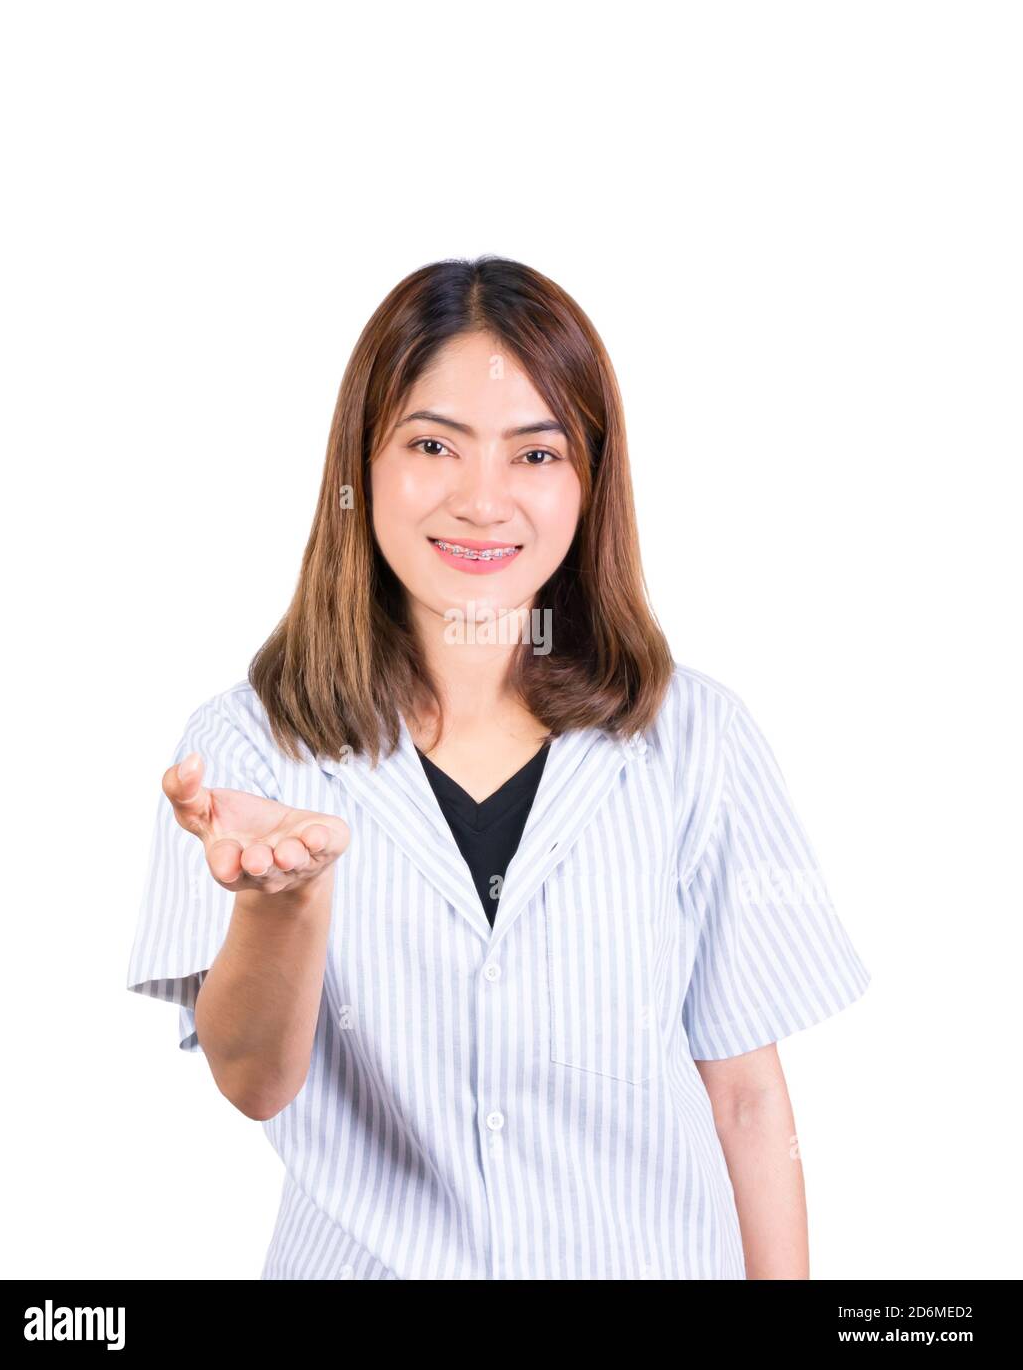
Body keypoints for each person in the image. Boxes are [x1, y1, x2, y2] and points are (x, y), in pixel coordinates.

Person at [127, 255, 871, 1280]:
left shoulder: (691, 737)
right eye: (433, 444)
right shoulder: (249, 749)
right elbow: (252, 1080)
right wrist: (281, 900)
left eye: (535, 454)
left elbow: (743, 1094)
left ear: (587, 481)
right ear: (363, 465)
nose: (482, 501)